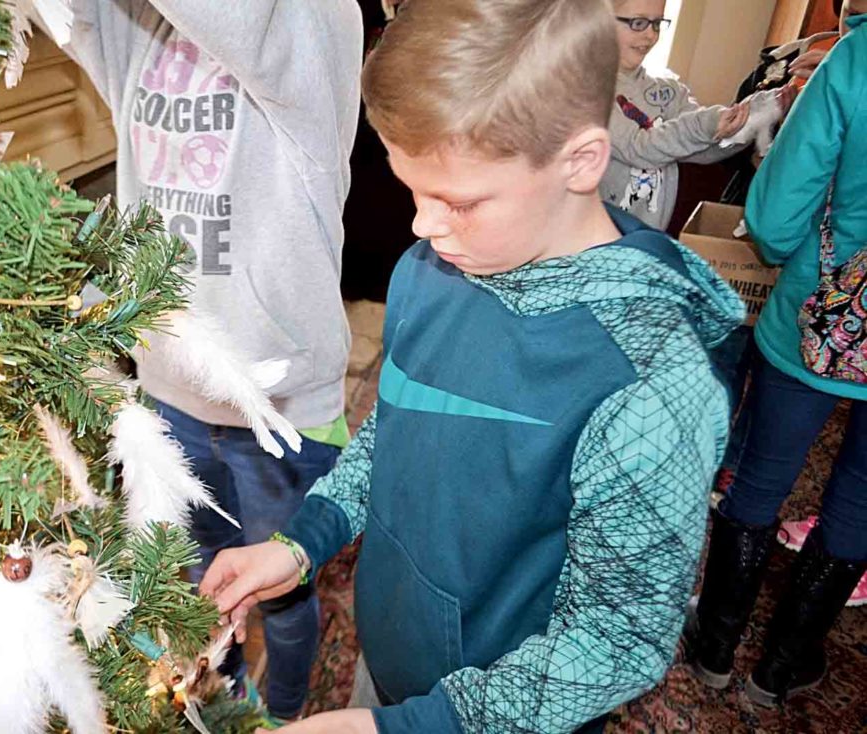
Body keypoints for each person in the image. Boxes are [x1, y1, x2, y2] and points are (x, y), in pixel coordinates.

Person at [199, 1, 744, 732]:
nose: (422, 225)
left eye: (457, 200)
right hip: (391, 657)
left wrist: (404, 728)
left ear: (581, 160)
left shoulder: (651, 383)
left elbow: (617, 642)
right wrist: (303, 543)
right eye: (413, 189)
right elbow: (393, 431)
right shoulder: (432, 264)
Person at [31, 0, 364, 721]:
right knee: (200, 582)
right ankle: (226, 701)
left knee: (285, 593)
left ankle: (284, 714)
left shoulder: (319, 19)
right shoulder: (133, 27)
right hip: (168, 394)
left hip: (281, 412)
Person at [683, 2, 867, 706]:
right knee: (860, 503)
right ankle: (785, 666)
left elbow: (775, 216)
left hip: (815, 317)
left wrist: (801, 255)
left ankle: (717, 647)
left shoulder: (853, 61)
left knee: (761, 477)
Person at [602, 0, 768, 230]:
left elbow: (701, 150)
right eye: (639, 23)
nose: (651, 35)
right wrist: (709, 124)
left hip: (646, 236)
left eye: (658, 24)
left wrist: (746, 124)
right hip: (594, 242)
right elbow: (639, 148)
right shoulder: (590, 91)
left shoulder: (670, 92)